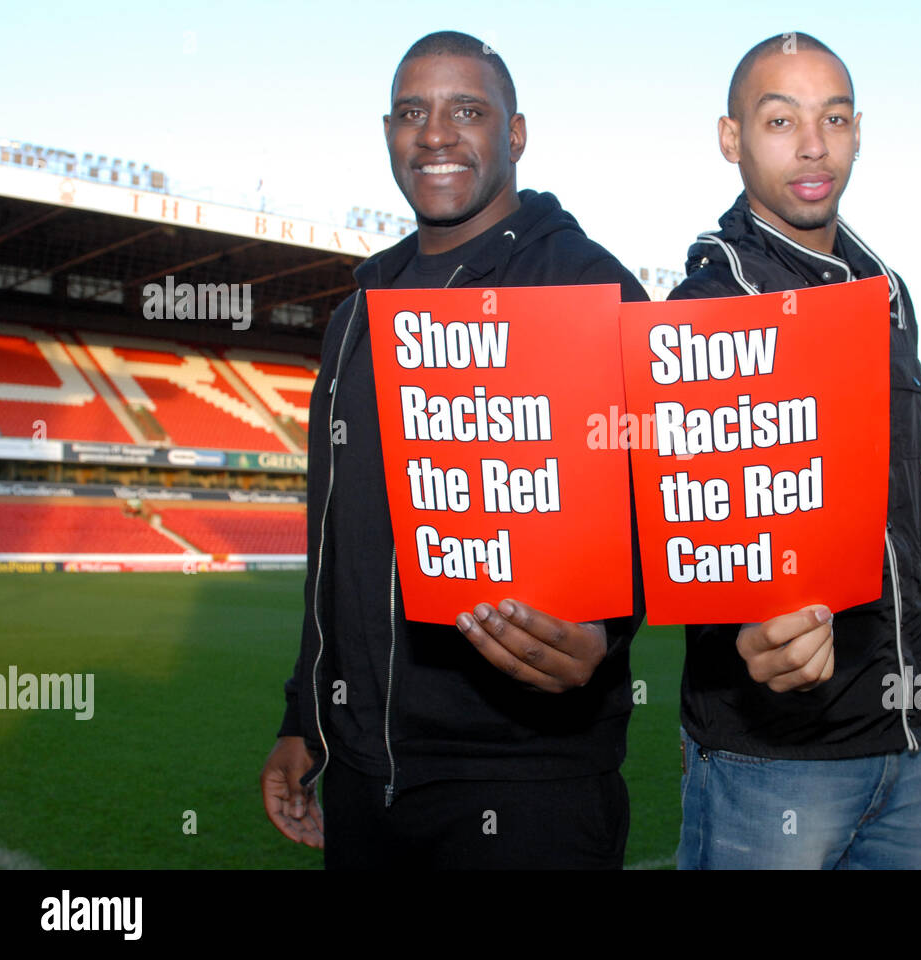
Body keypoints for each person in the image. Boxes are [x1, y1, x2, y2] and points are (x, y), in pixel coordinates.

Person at [260, 31, 647, 870]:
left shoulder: (593, 288)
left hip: (530, 780)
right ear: (389, 133)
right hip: (367, 780)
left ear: (514, 135)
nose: (434, 134)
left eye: (466, 110)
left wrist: (608, 634)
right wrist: (306, 717)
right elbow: (336, 542)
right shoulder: (359, 309)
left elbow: (661, 502)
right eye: (412, 113)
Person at [667, 32, 921, 869]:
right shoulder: (707, 302)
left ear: (859, 131)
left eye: (833, 119)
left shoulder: (890, 294)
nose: (812, 145)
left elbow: (909, 510)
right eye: (779, 120)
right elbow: (687, 528)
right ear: (731, 139)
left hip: (904, 753)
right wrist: (742, 622)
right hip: (772, 766)